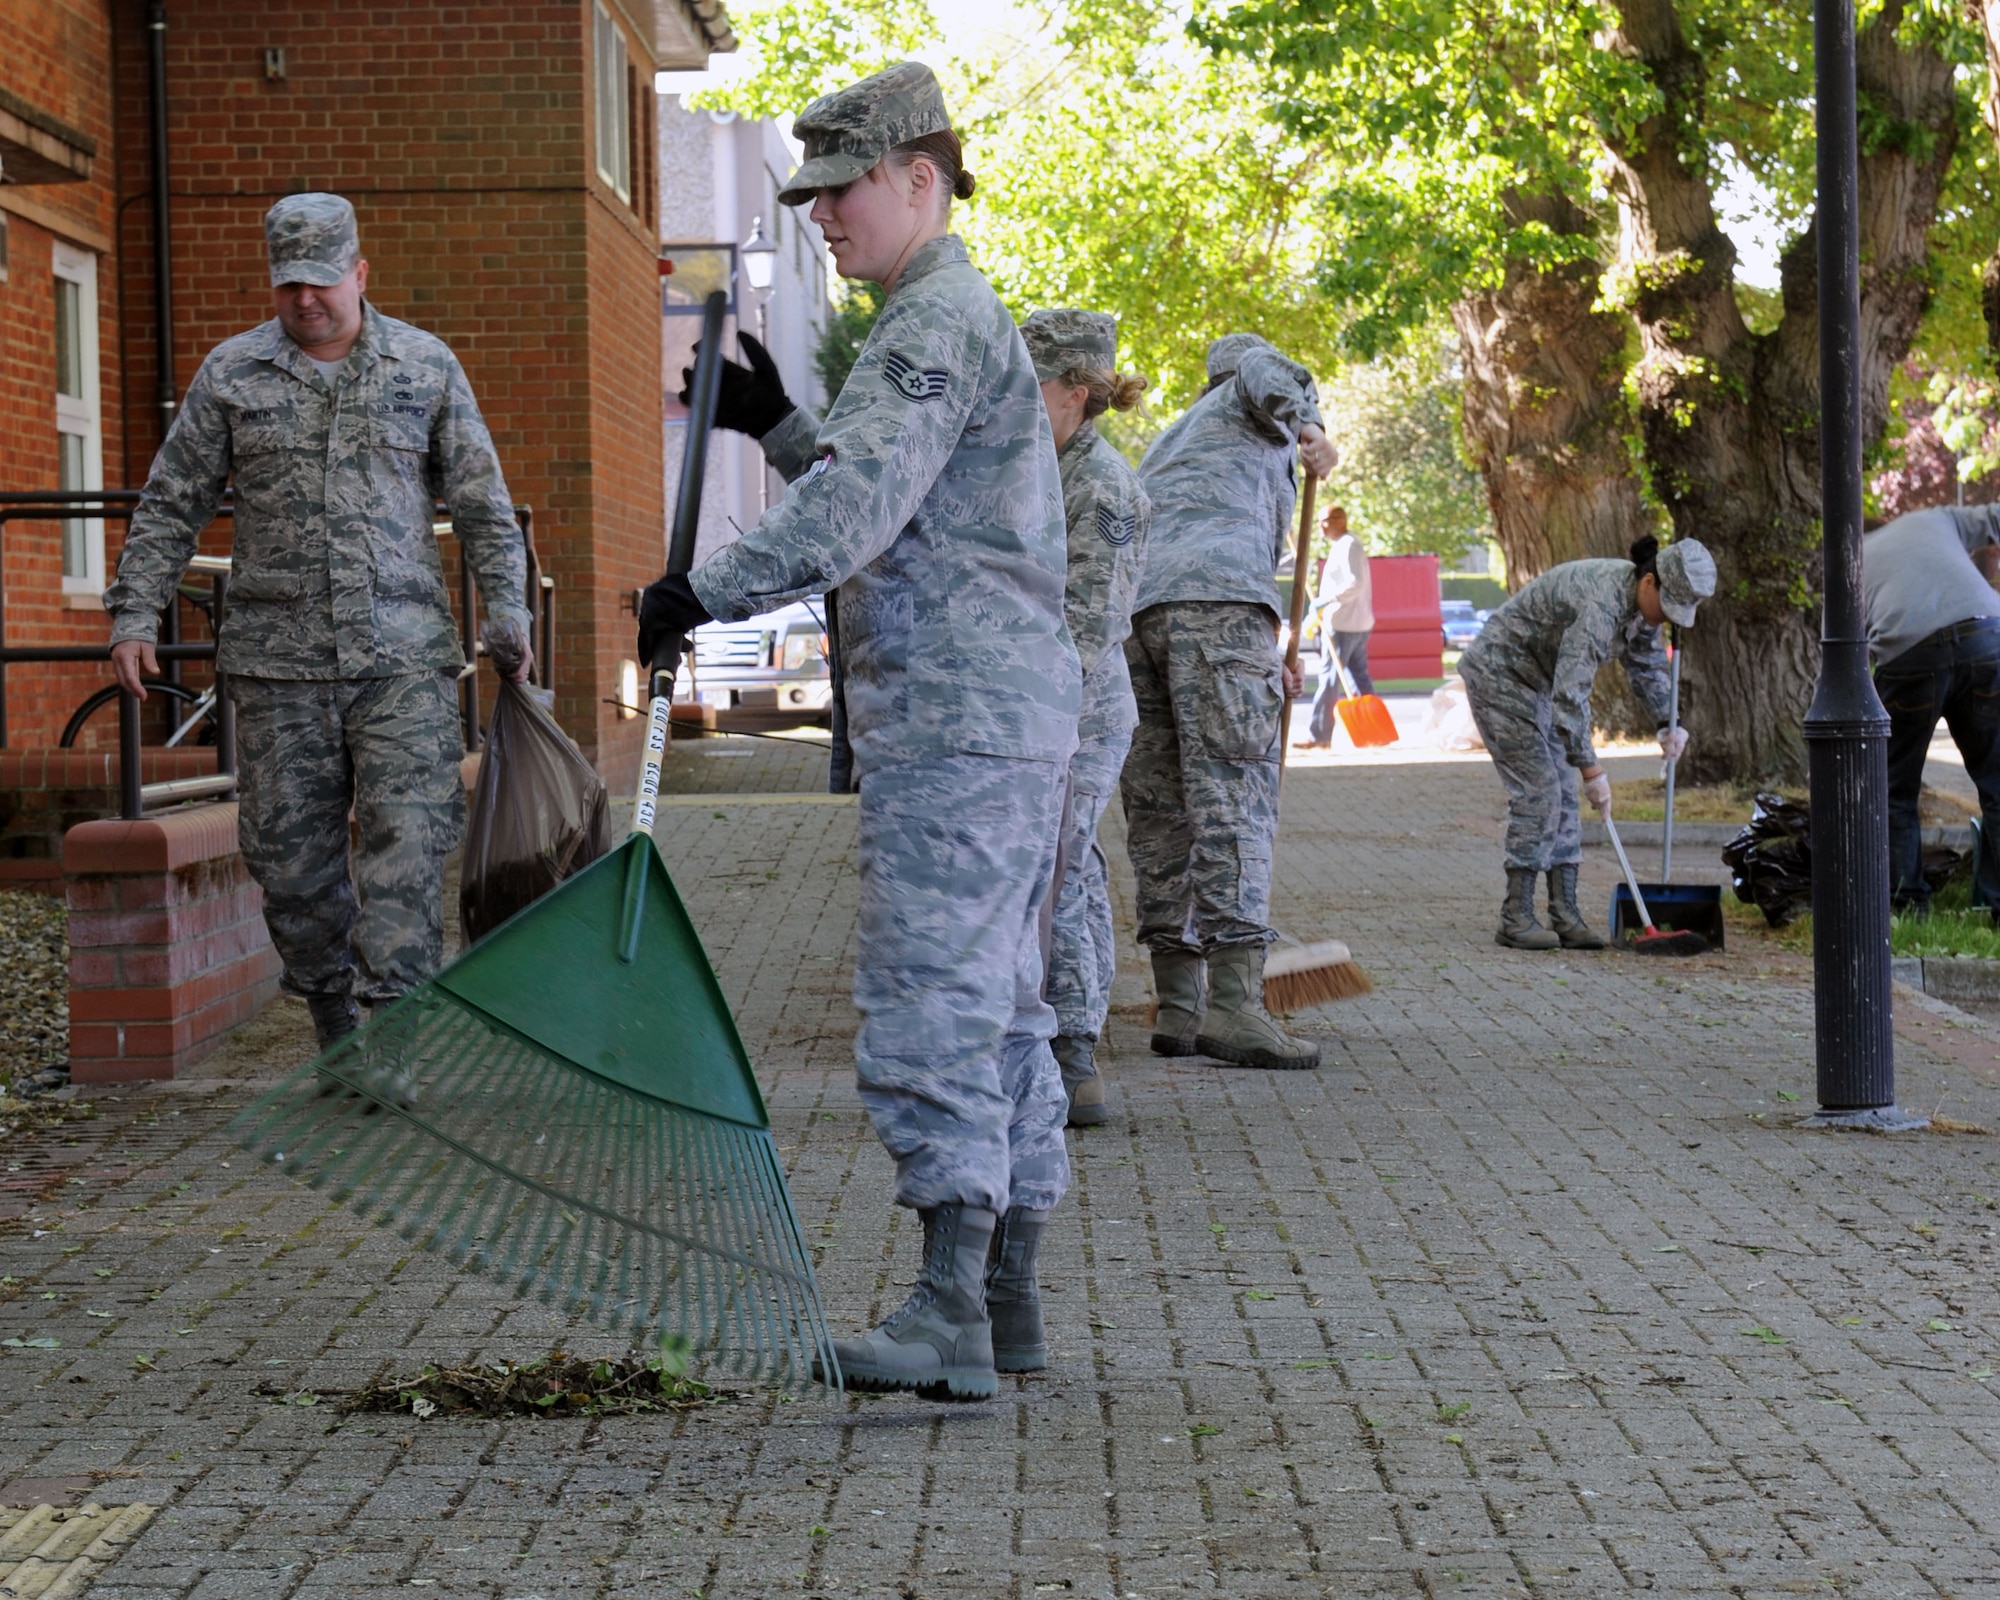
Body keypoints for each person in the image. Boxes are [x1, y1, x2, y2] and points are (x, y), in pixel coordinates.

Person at [635, 63, 1080, 1399]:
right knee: (1004, 1007)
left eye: (843, 192)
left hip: (957, 726)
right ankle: (1005, 1306)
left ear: (919, 179)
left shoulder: (933, 320)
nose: (824, 218)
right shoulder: (946, 319)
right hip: (995, 719)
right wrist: (780, 425)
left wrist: (699, 592)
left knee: (933, 998)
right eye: (812, 198)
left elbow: (858, 514)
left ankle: (951, 1312)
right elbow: (902, 491)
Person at [105, 193, 533, 1062]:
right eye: (290, 284)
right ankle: (334, 1023)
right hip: (277, 669)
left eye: (324, 281)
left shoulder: (424, 365)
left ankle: (398, 1035)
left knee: (408, 848)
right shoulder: (232, 375)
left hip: (402, 661)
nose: (308, 300)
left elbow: (487, 509)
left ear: (360, 273)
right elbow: (170, 504)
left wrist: (508, 609)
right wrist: (133, 612)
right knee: (291, 872)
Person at [1122, 332, 1337, 1071]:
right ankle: (1238, 1008)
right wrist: (1309, 425)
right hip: (1219, 609)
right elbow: (1266, 371)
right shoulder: (1256, 401)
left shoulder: (1172, 438)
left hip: (1141, 619)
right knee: (1233, 796)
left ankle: (1179, 1006)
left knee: (1160, 808)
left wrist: (1268, 651)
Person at [1018, 309, 1150, 1129]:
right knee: (1069, 864)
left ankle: (1073, 1055)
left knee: (1060, 860)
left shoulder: (1104, 489)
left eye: (1029, 387)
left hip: (1079, 708)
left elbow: (1088, 632)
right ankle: (1064, 1039)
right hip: (1035, 701)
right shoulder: (1041, 466)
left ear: (1075, 392)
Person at [1457, 535, 1714, 950]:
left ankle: (1565, 912)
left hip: (1539, 684)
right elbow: (1570, 694)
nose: (1664, 620)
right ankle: (1516, 915)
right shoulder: (1600, 604)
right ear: (1650, 582)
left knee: (1566, 796)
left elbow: (1647, 664)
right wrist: (1593, 769)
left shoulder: (1641, 610)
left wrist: (1670, 721)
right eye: (1666, 609)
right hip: (1500, 675)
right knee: (1540, 791)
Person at [1861, 505, 2000, 914]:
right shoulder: (1935, 519)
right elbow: (1994, 516)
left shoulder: (1850, 559)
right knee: (1997, 782)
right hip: (1987, 636)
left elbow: (1841, 653)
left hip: (1909, 652)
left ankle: (1907, 903)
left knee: (1894, 789)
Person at [1297, 503, 1374, 749]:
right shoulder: (1347, 544)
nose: (1321, 527)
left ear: (1338, 521)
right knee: (1357, 676)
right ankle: (1371, 728)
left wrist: (1327, 600)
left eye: (1324, 521)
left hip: (1343, 624)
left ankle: (1319, 735)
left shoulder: (1348, 545)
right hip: (1354, 622)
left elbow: (1355, 583)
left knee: (1329, 678)